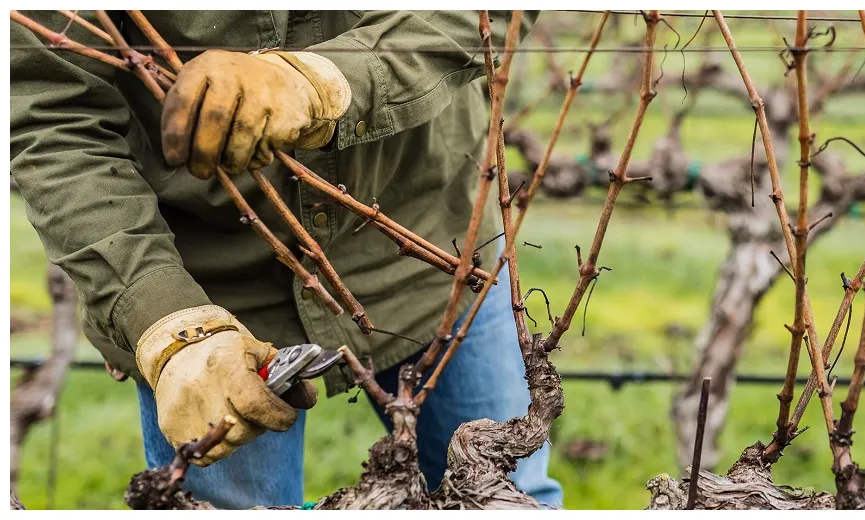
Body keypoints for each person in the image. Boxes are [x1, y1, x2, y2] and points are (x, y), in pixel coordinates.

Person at [11, 10, 562, 509]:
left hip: (435, 248)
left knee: (510, 497)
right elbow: (54, 115)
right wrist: (159, 314)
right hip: (209, 295)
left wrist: (326, 79)